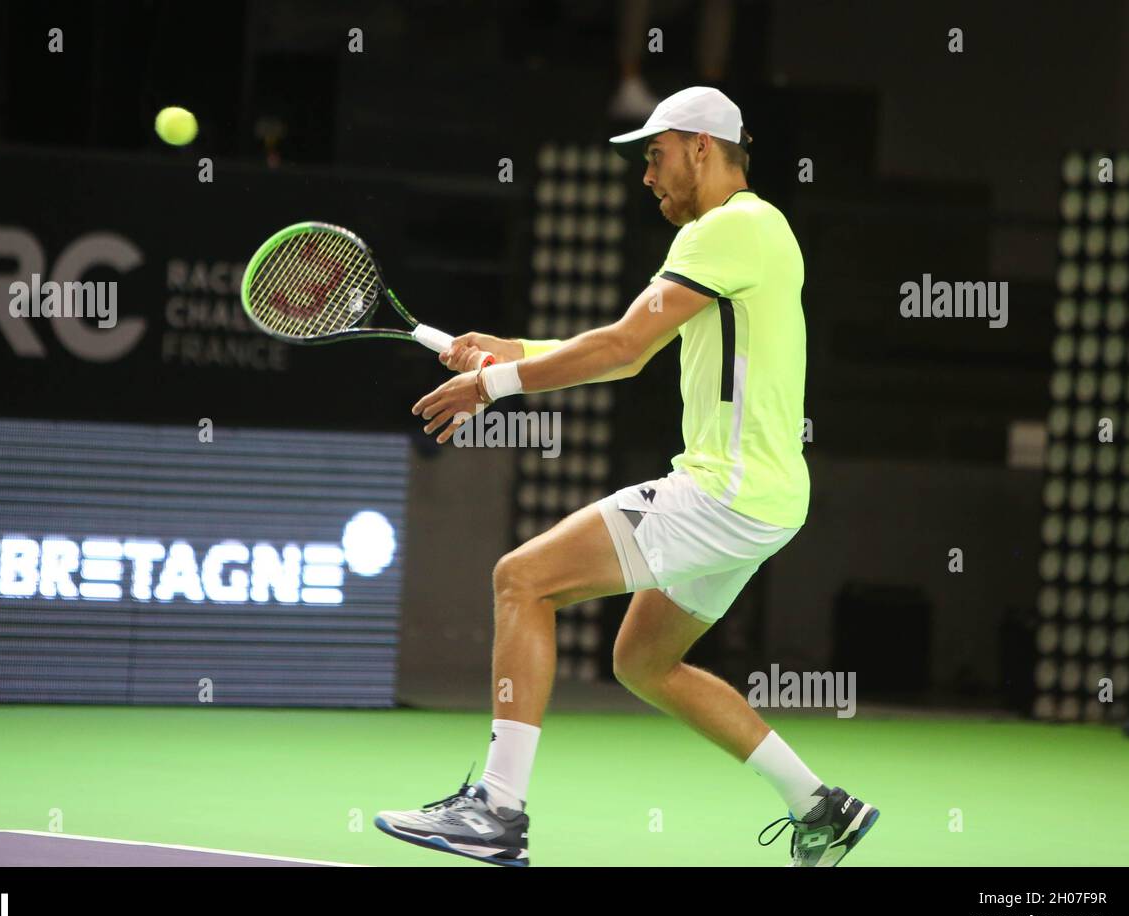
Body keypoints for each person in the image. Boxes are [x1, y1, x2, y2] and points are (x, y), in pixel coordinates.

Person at [375, 87, 879, 867]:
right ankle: (820, 806)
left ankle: (498, 810)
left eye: (656, 155)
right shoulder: (753, 233)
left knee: (522, 579)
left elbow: (622, 351)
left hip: (722, 490)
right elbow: (617, 342)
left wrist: (493, 387)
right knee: (642, 662)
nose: (648, 175)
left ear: (701, 148)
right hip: (769, 502)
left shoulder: (731, 227)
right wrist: (507, 350)